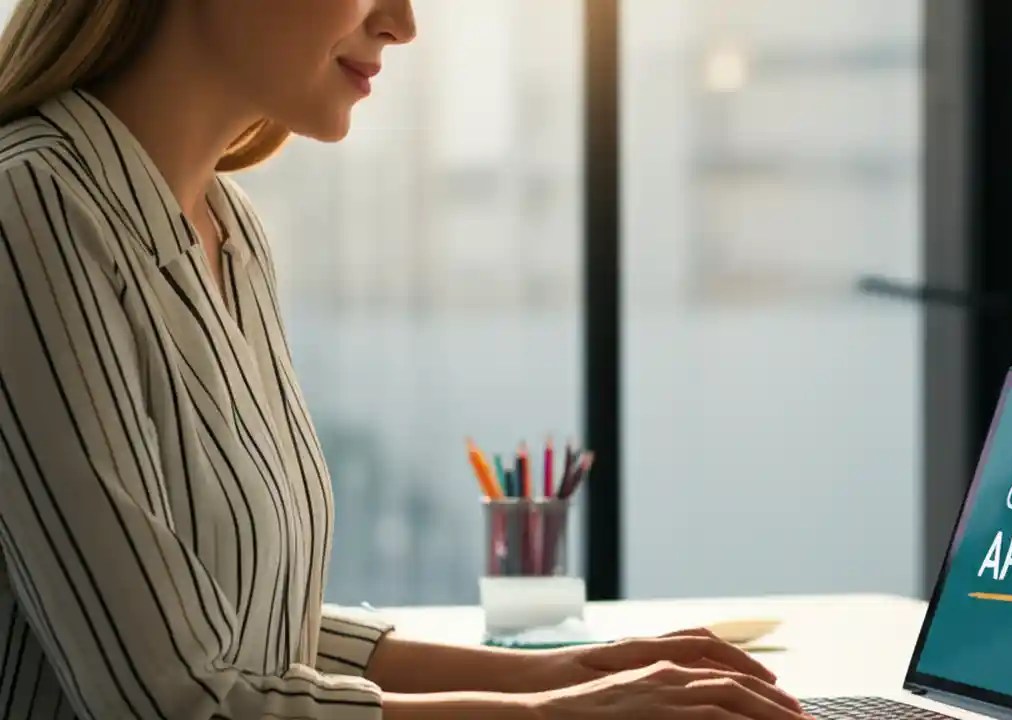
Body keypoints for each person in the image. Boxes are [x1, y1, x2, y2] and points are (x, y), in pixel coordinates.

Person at [0, 2, 810, 719]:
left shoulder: (227, 228)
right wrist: (556, 715)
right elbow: (175, 704)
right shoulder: (29, 210)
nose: (402, 23)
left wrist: (564, 675)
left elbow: (243, 631)